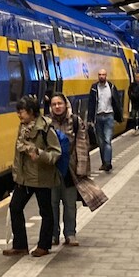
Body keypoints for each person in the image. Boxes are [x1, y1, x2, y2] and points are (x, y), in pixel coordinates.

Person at [4, 95, 60, 258]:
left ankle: (44, 245)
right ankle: (20, 245)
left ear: (31, 112)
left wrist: (39, 153)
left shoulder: (45, 128)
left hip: (42, 177)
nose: (19, 115)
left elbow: (56, 153)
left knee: (46, 212)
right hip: (24, 178)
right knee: (15, 208)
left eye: (21, 112)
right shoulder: (22, 127)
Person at [48, 94, 84, 247]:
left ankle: (70, 233)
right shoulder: (46, 123)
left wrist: (81, 168)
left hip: (70, 169)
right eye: (54, 104)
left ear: (65, 104)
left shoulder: (75, 121)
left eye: (60, 103)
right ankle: (52, 234)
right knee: (52, 203)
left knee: (70, 204)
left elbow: (82, 145)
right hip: (51, 170)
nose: (57, 106)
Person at [86, 69, 122, 172]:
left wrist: (118, 116)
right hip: (98, 117)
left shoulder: (111, 87)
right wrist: (90, 119)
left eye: (103, 75)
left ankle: (108, 163)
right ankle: (104, 162)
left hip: (108, 116)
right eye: (100, 75)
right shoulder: (94, 88)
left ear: (106, 76)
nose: (101, 76)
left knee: (107, 140)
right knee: (100, 142)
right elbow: (91, 104)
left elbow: (117, 102)